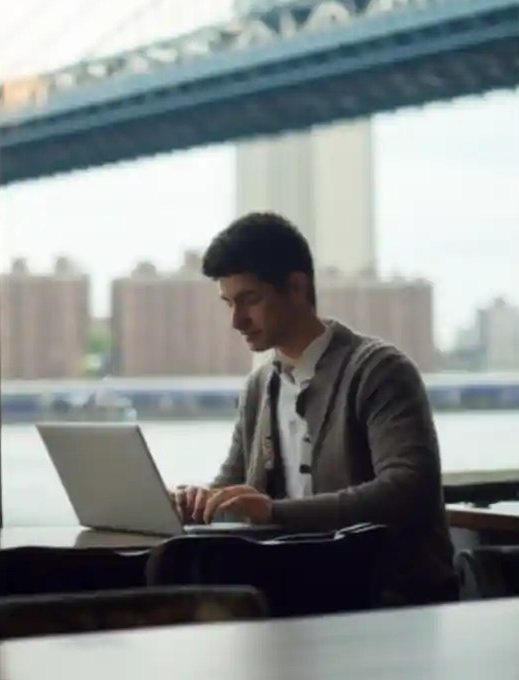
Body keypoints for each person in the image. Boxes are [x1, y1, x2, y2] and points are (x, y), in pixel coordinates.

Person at [171, 211, 456, 604]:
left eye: (249, 300)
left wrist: (275, 513)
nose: (237, 320)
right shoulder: (259, 386)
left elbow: (408, 489)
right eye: (228, 304)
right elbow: (234, 484)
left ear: (297, 288)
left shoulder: (379, 370)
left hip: (387, 596)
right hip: (298, 592)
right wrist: (200, 500)